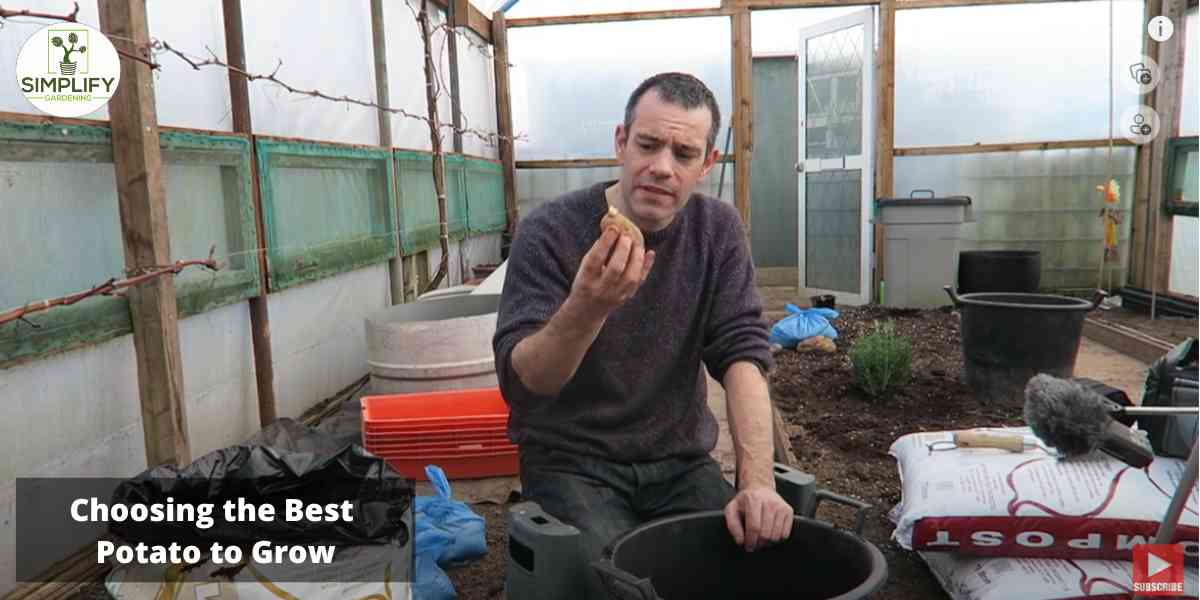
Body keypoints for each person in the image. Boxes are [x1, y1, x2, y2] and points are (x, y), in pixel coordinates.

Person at [492, 72, 793, 597]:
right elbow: (524, 383)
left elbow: (743, 353)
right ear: (620, 142)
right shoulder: (551, 231)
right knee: (620, 585)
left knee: (746, 569)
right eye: (648, 144)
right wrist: (588, 307)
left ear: (707, 164)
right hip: (573, 462)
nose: (661, 168)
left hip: (678, 461)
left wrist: (758, 484)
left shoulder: (716, 230)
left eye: (683, 153)